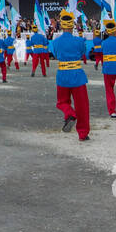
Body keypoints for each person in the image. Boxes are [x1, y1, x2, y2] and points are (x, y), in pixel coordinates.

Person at [50, 9, 90, 139]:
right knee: (82, 106)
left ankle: (69, 113)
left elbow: (55, 54)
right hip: (77, 75)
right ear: (72, 25)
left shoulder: (55, 42)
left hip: (62, 75)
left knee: (61, 102)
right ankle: (83, 134)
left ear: (61, 25)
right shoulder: (79, 41)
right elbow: (83, 53)